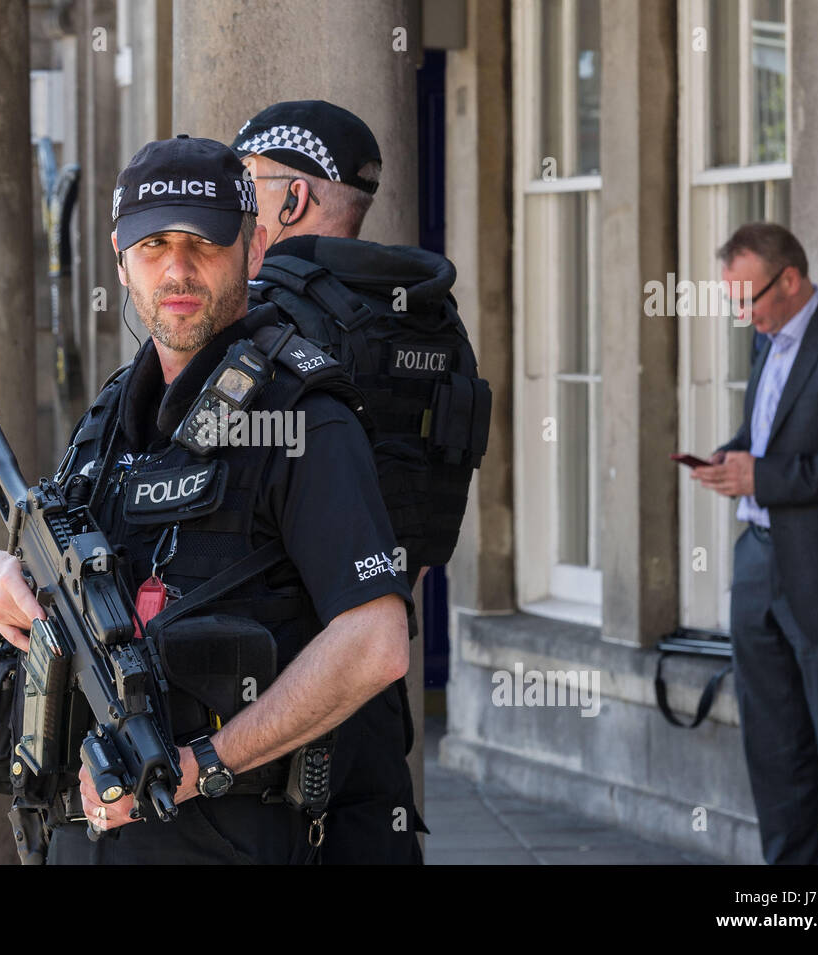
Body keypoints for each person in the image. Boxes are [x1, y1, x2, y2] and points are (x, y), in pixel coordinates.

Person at [0, 134, 417, 863]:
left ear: (255, 247)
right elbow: (24, 587)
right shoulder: (112, 418)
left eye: (203, 243)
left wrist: (203, 763)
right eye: (154, 245)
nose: (177, 269)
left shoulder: (302, 419)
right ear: (121, 258)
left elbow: (376, 643)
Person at [232, 100, 481, 862]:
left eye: (243, 188)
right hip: (376, 685)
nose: (227, 213)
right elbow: (430, 525)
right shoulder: (433, 323)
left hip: (270, 686)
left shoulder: (259, 321)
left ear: (293, 198)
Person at [692, 222, 818, 865]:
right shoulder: (766, 342)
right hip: (756, 563)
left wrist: (764, 476)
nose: (743, 316)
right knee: (772, 741)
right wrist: (731, 458)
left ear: (792, 280)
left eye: (749, 299)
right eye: (734, 302)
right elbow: (770, 433)